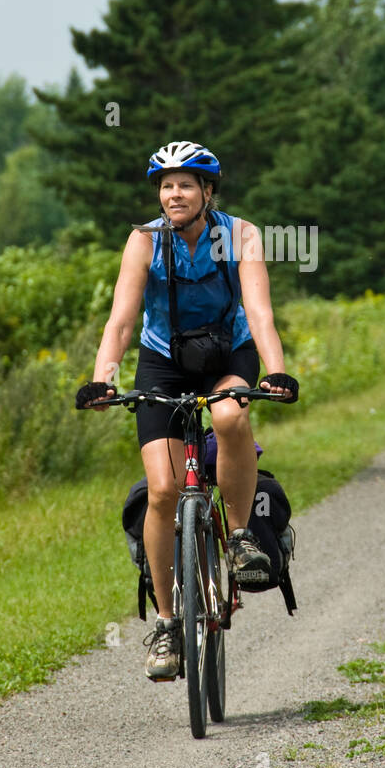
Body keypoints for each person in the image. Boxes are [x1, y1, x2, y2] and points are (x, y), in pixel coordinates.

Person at [76, 141, 299, 681]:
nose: (173, 194)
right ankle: (168, 625)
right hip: (163, 361)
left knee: (229, 416)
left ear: (208, 192)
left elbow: (259, 309)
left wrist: (273, 368)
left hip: (229, 352)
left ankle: (242, 537)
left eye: (185, 184)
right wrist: (103, 376)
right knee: (162, 490)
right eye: (166, 185)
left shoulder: (240, 235)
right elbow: (122, 321)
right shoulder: (144, 240)